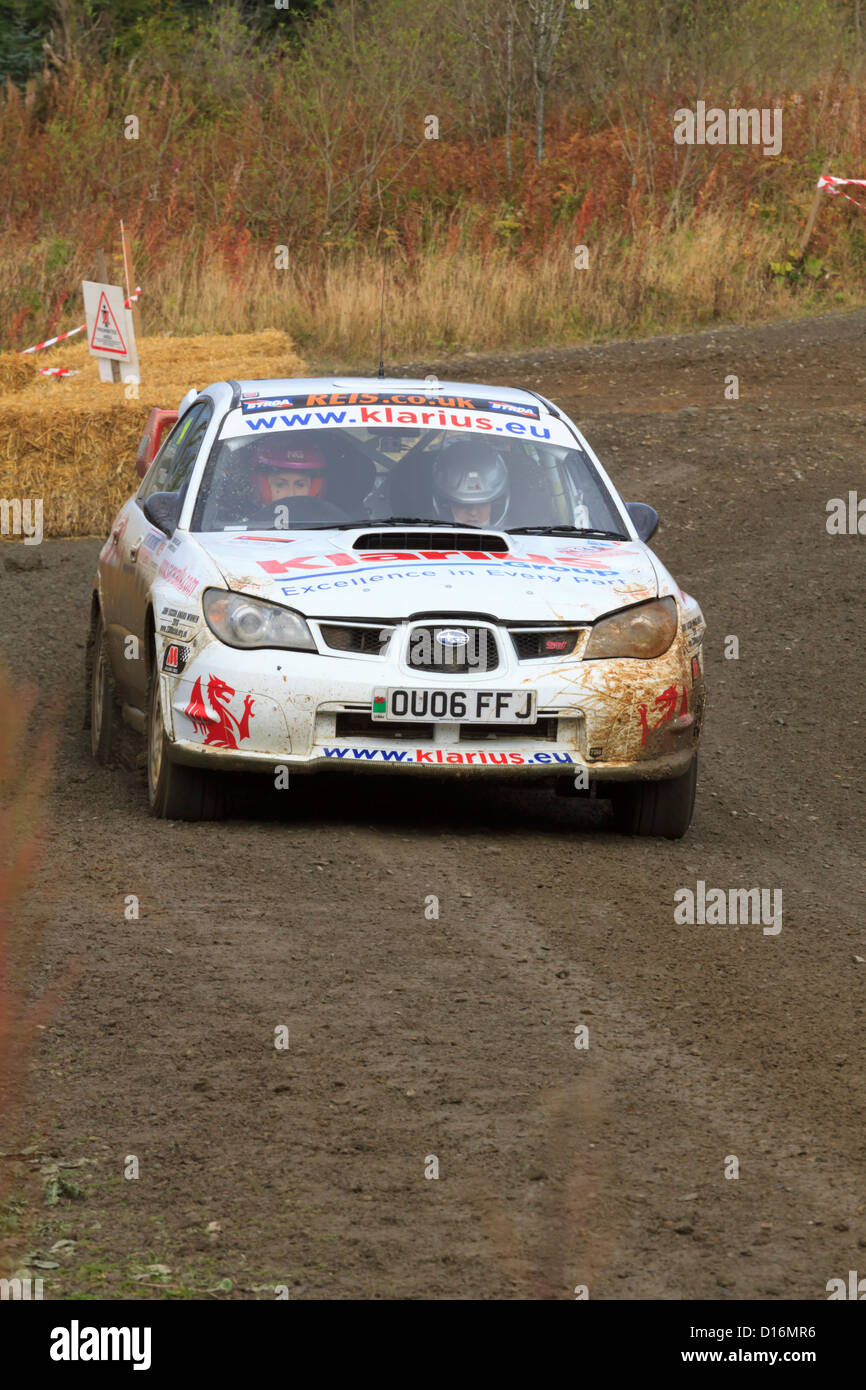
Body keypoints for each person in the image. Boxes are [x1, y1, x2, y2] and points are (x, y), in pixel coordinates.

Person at [431, 441, 510, 527]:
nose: (473, 513)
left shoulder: (520, 532)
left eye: (482, 504)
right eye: (463, 505)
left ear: (496, 504)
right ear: (445, 504)